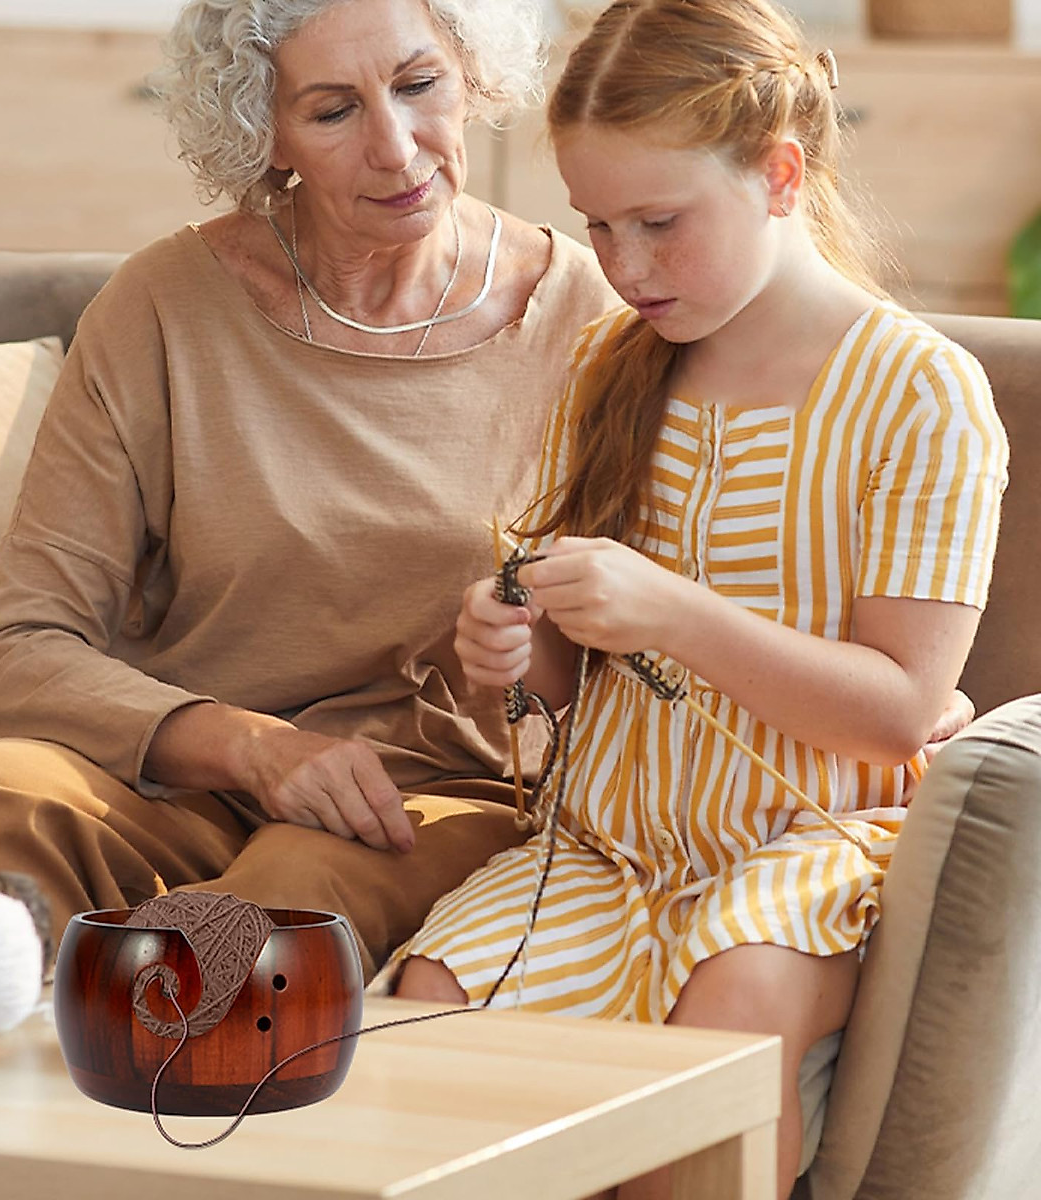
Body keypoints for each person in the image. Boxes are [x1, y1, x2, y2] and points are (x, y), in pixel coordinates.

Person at [387, 2, 1008, 1196]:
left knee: (734, 1000)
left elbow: (897, 710)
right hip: (609, 850)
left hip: (810, 851)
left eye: (661, 224)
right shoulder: (612, 367)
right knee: (435, 1005)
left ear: (780, 175)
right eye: (598, 227)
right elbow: (576, 683)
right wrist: (515, 651)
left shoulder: (921, 395)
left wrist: (671, 610)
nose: (622, 268)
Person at [0, 0, 622, 982]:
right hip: (199, 781)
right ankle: (9, 1107)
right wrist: (252, 749)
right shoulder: (161, 310)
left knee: (273, 905)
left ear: (473, 77)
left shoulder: (588, 319)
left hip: (434, 800)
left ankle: (129, 1069)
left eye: (417, 85)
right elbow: (15, 653)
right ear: (263, 131)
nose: (396, 148)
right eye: (331, 110)